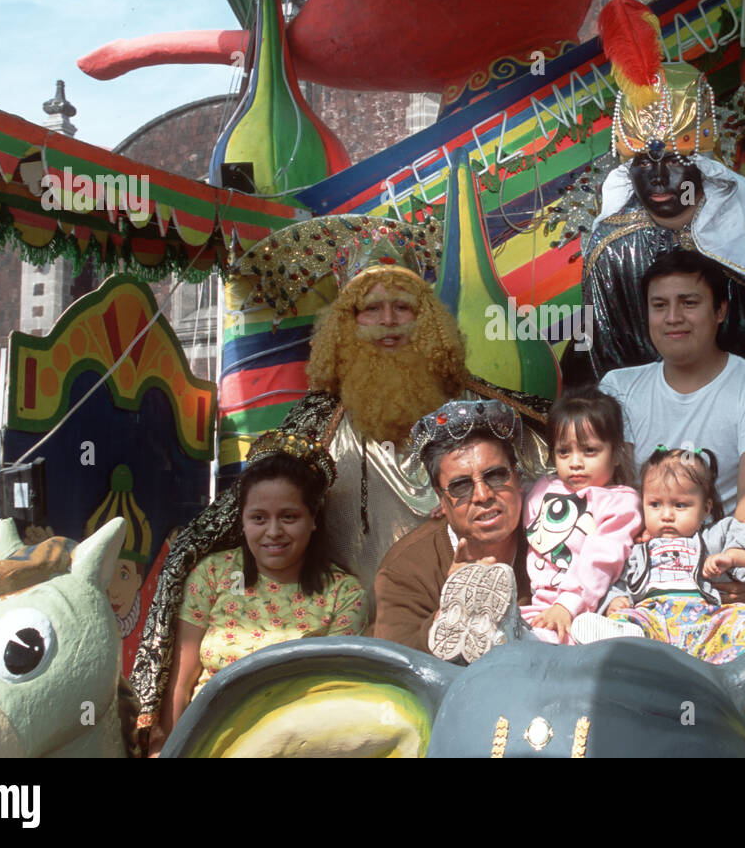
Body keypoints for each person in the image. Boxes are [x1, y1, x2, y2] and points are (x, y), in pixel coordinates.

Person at [131, 218, 549, 741]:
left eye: (404, 307)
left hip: (469, 639)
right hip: (350, 655)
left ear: (429, 322)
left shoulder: (483, 415)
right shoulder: (315, 426)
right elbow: (232, 522)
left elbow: (567, 488)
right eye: (370, 308)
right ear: (345, 328)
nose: (389, 322)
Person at [580, 0, 745, 381]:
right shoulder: (613, 249)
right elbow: (609, 362)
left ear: (701, 166)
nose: (658, 178)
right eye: (642, 163)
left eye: (674, 161)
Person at [598, 248, 745, 591]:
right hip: (631, 571)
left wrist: (740, 561)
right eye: (659, 305)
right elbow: (612, 491)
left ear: (720, 310)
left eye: (689, 303)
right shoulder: (619, 387)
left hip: (714, 567)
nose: (673, 317)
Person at [147, 430, 365, 755]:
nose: (273, 532)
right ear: (243, 521)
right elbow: (181, 683)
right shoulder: (213, 573)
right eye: (259, 518)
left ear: (313, 519)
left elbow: (331, 699)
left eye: (289, 517)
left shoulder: (344, 594)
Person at [572, 448, 745, 664]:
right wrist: (616, 601)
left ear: (705, 508)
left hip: (706, 623)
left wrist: (732, 557)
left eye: (680, 505)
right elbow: (618, 581)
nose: (667, 515)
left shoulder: (715, 536)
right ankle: (624, 645)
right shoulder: (637, 550)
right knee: (626, 620)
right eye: (655, 504)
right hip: (653, 621)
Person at [372, 399, 533, 663]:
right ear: (441, 499)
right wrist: (446, 613)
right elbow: (391, 663)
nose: (483, 495)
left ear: (516, 477)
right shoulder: (404, 569)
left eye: (495, 475)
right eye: (460, 486)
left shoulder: (561, 533)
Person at [519, 386, 641, 644]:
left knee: (545, 642)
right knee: (509, 634)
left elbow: (601, 558)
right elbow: (508, 501)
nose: (575, 462)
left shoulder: (619, 501)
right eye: (564, 451)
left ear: (617, 453)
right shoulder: (542, 487)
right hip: (539, 608)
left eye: (589, 451)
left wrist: (568, 605)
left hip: (586, 609)